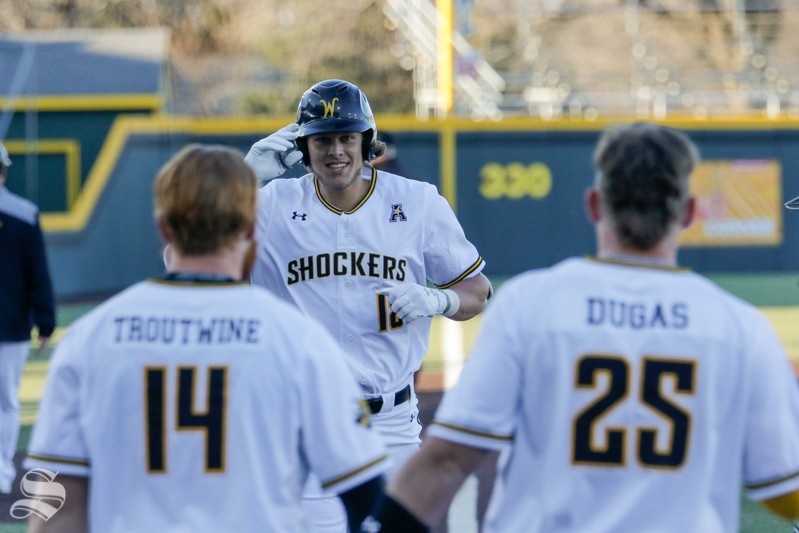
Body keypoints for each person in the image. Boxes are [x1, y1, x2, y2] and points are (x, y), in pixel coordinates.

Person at [366, 122, 799, 533]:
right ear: (688, 213)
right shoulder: (740, 328)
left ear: (594, 204)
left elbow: (449, 460)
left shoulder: (531, 305)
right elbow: (784, 486)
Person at [24, 144, 389, 532]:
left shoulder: (88, 339)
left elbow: (56, 504)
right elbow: (364, 491)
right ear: (251, 228)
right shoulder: (298, 341)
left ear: (163, 229)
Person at [244, 78, 492, 532]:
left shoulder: (416, 202)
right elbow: (186, 260)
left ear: (365, 141)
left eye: (346, 137)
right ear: (303, 146)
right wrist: (240, 185)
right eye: (322, 139)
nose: (336, 151)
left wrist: (439, 298)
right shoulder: (271, 204)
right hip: (303, 423)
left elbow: (478, 292)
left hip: (392, 423)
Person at [0, 142, 55, 495]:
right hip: (11, 325)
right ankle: (2, 470)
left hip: (11, 325)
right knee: (5, 400)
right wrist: (45, 322)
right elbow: (38, 274)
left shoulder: (22, 213)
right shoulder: (23, 212)